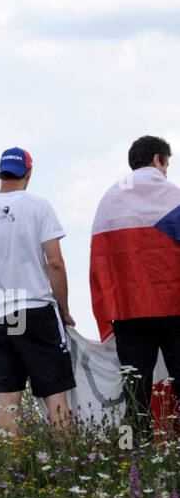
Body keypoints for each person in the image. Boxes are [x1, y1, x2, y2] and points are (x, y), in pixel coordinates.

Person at [0, 146, 75, 437]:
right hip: (36, 311)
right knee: (55, 395)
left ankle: (8, 476)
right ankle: (70, 469)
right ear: (29, 172)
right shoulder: (39, 207)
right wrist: (65, 310)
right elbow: (55, 263)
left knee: (7, 400)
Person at [90, 135, 180, 436]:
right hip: (174, 307)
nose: (167, 171)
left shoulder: (109, 199)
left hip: (129, 311)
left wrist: (104, 311)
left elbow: (99, 261)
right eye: (167, 164)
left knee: (135, 394)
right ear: (157, 159)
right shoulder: (173, 195)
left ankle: (137, 463)